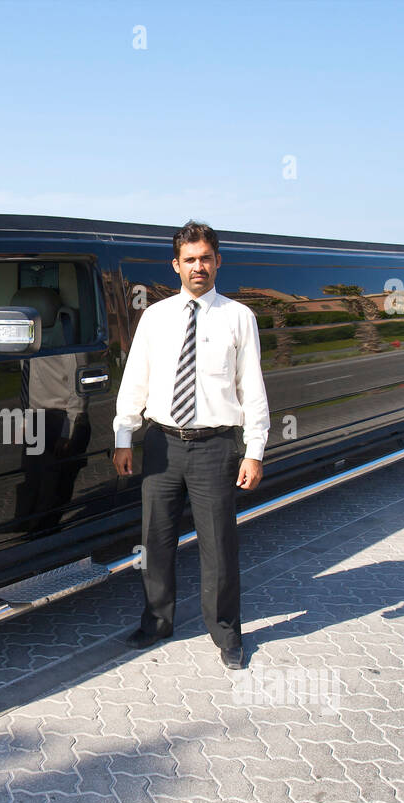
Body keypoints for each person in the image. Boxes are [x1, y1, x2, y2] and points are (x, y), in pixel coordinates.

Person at [112, 221, 270, 669]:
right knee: (154, 542)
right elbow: (135, 381)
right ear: (175, 265)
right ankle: (156, 622)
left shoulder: (239, 318)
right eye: (189, 259)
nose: (198, 266)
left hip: (215, 448)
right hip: (161, 445)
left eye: (205, 258)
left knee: (218, 546)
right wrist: (125, 437)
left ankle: (226, 633)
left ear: (218, 261)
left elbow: (252, 389)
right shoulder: (155, 318)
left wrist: (254, 450)